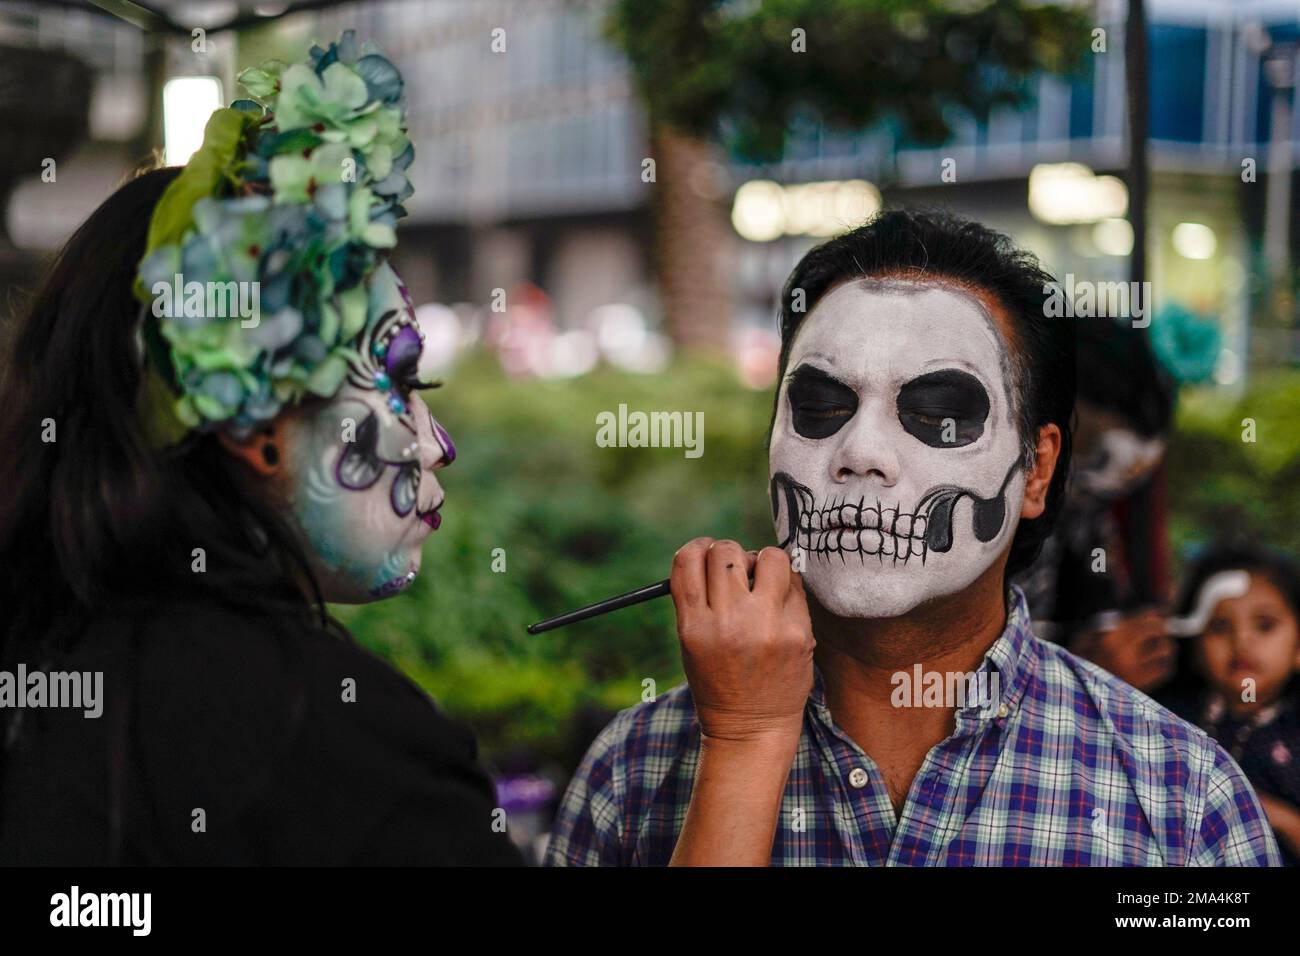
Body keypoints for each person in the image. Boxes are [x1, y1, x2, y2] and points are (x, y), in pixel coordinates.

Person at [545, 210, 1281, 866]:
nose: (860, 452)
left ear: (1037, 469)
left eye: (940, 413)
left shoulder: (1183, 802)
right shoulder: (632, 774)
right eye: (822, 404)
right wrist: (742, 741)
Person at [0, 33, 522, 865]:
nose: (438, 444)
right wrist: (744, 737)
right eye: (400, 380)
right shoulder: (337, 752)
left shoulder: (44, 670)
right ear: (253, 426)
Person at [1159, 544, 1300, 865]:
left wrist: (1274, 816)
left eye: (1264, 624)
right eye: (1219, 626)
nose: (1241, 640)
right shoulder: (1166, 720)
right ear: (1193, 647)